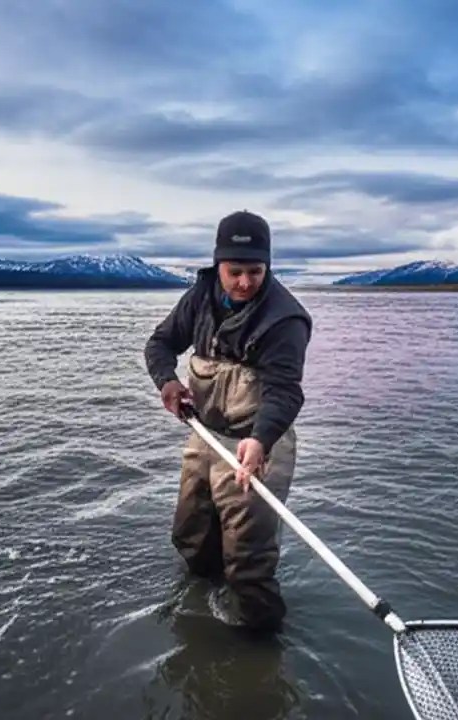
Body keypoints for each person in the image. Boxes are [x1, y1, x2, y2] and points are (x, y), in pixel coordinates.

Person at [144, 209, 312, 633]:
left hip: (258, 443)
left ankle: (262, 646)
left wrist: (260, 441)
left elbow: (285, 391)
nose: (244, 282)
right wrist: (167, 382)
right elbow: (160, 344)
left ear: (268, 267)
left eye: (255, 271)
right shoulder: (198, 299)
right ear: (218, 264)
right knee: (191, 537)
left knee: (249, 564)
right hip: (205, 436)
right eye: (235, 271)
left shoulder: (285, 319)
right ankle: (198, 613)